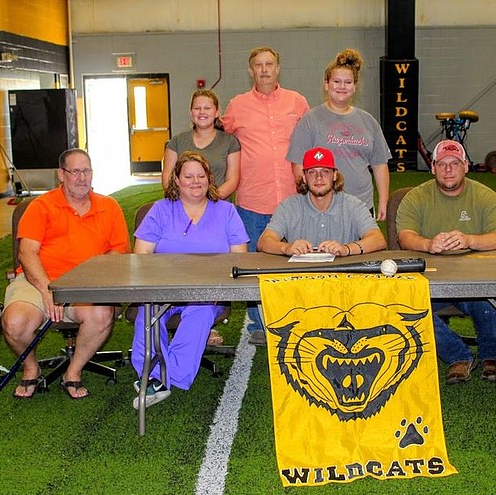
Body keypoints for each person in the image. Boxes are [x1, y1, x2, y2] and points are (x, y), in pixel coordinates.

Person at [2, 149, 129, 400]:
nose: (82, 178)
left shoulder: (109, 207)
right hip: (40, 282)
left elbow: (119, 253)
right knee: (14, 323)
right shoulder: (41, 206)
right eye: (75, 171)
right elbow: (27, 254)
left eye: (87, 171)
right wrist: (48, 290)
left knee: (102, 314)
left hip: (86, 286)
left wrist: (90, 280)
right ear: (61, 174)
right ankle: (31, 367)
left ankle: (73, 372)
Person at [131, 151, 248, 408]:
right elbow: (141, 257)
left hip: (208, 293)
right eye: (188, 176)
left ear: (209, 179)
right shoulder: (160, 211)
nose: (196, 181)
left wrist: (216, 288)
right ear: (176, 180)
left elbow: (240, 258)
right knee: (147, 315)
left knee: (200, 313)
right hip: (163, 290)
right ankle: (153, 375)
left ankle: (160, 379)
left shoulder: (226, 211)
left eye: (201, 175)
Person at [396, 140, 496, 384]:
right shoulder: (415, 197)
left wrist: (470, 240)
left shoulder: (485, 196)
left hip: (475, 279)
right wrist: (428, 244)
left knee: (490, 300)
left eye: (455, 163)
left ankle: (491, 355)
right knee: (409, 308)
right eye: (442, 164)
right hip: (431, 281)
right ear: (433, 168)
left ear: (466, 166)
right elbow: (405, 237)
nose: (449, 170)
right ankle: (458, 356)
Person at [222, 46, 310, 346]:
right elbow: (221, 140)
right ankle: (259, 326)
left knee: (295, 263)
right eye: (258, 65)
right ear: (250, 70)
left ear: (278, 67)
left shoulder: (297, 102)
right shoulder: (236, 106)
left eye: (269, 64)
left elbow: (308, 143)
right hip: (252, 200)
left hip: (292, 199)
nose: (264, 70)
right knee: (254, 266)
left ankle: (295, 319)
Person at [287, 49, 391, 221]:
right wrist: (310, 197)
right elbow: (298, 163)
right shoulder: (310, 120)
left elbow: (380, 165)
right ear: (326, 84)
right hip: (323, 206)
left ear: (355, 86)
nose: (342, 87)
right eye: (336, 81)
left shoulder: (368, 121)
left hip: (361, 204)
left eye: (348, 82)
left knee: (359, 248)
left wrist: (383, 201)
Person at [258, 147, 386, 257]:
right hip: (301, 278)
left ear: (335, 175)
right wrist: (286, 248)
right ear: (304, 177)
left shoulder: (353, 205)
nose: (318, 178)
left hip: (342, 279)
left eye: (325, 171)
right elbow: (264, 241)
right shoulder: (289, 207)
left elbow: (378, 239)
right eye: (312, 172)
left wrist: (346, 249)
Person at [161, 89, 241, 200]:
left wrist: (209, 201)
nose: (202, 112)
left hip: (217, 206)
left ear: (216, 112)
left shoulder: (230, 142)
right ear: (191, 113)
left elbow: (232, 180)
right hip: (184, 207)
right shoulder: (176, 142)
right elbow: (167, 180)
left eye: (207, 108)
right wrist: (188, 202)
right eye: (197, 108)